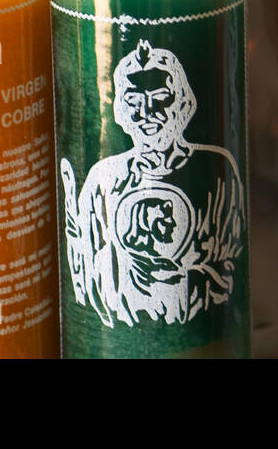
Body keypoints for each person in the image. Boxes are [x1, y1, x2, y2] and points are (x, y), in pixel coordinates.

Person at [61, 39, 245, 327]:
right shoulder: (103, 177)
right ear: (120, 111)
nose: (147, 112)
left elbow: (231, 259)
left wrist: (181, 281)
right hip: (119, 328)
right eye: (133, 102)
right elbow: (86, 273)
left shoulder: (216, 169)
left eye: (160, 98)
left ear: (183, 102)